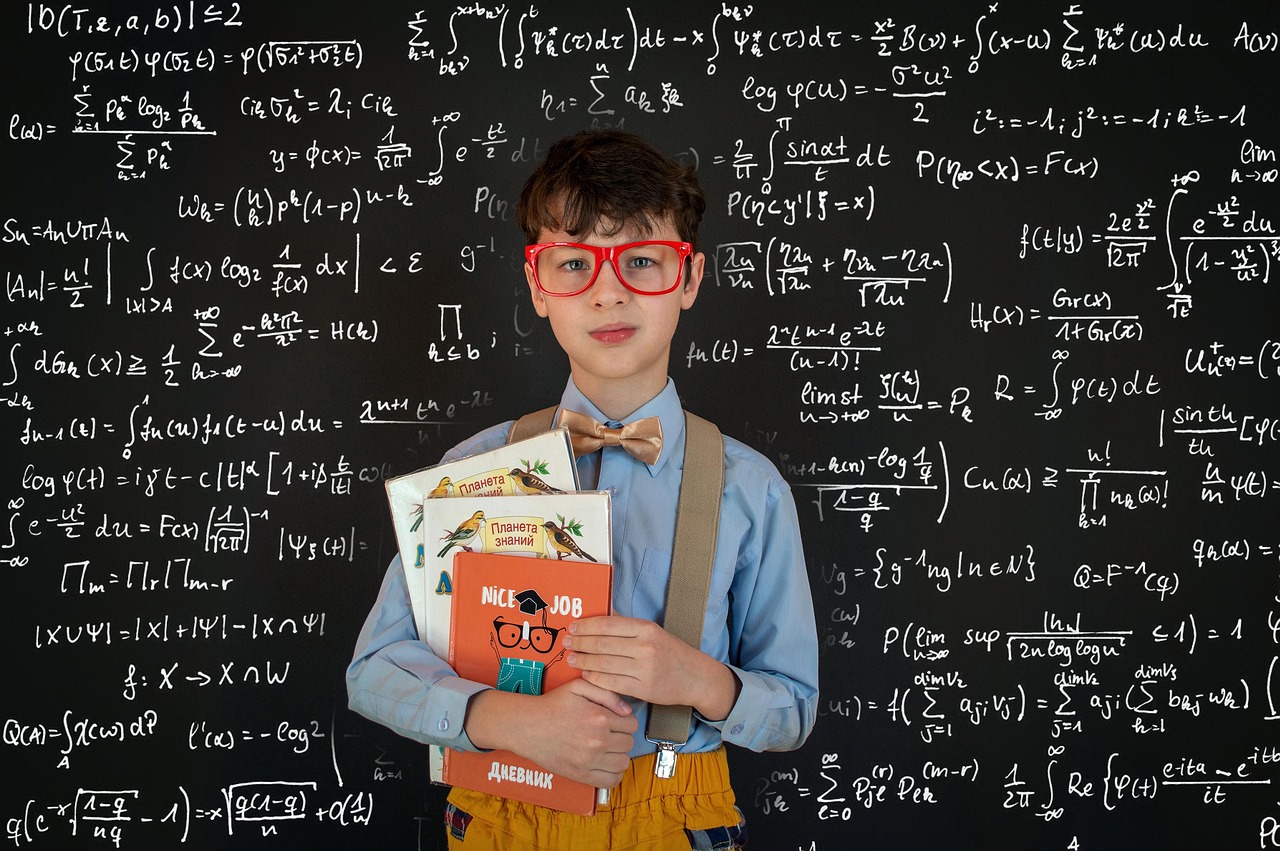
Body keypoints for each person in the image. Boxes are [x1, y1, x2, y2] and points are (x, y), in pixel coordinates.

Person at [347, 128, 819, 849]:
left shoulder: (747, 488)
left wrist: (698, 680)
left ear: (689, 278)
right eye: (575, 263)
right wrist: (502, 720)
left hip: (675, 813)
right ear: (538, 285)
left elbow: (792, 707)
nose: (608, 292)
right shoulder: (475, 468)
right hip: (505, 807)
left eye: (641, 260)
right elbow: (374, 668)